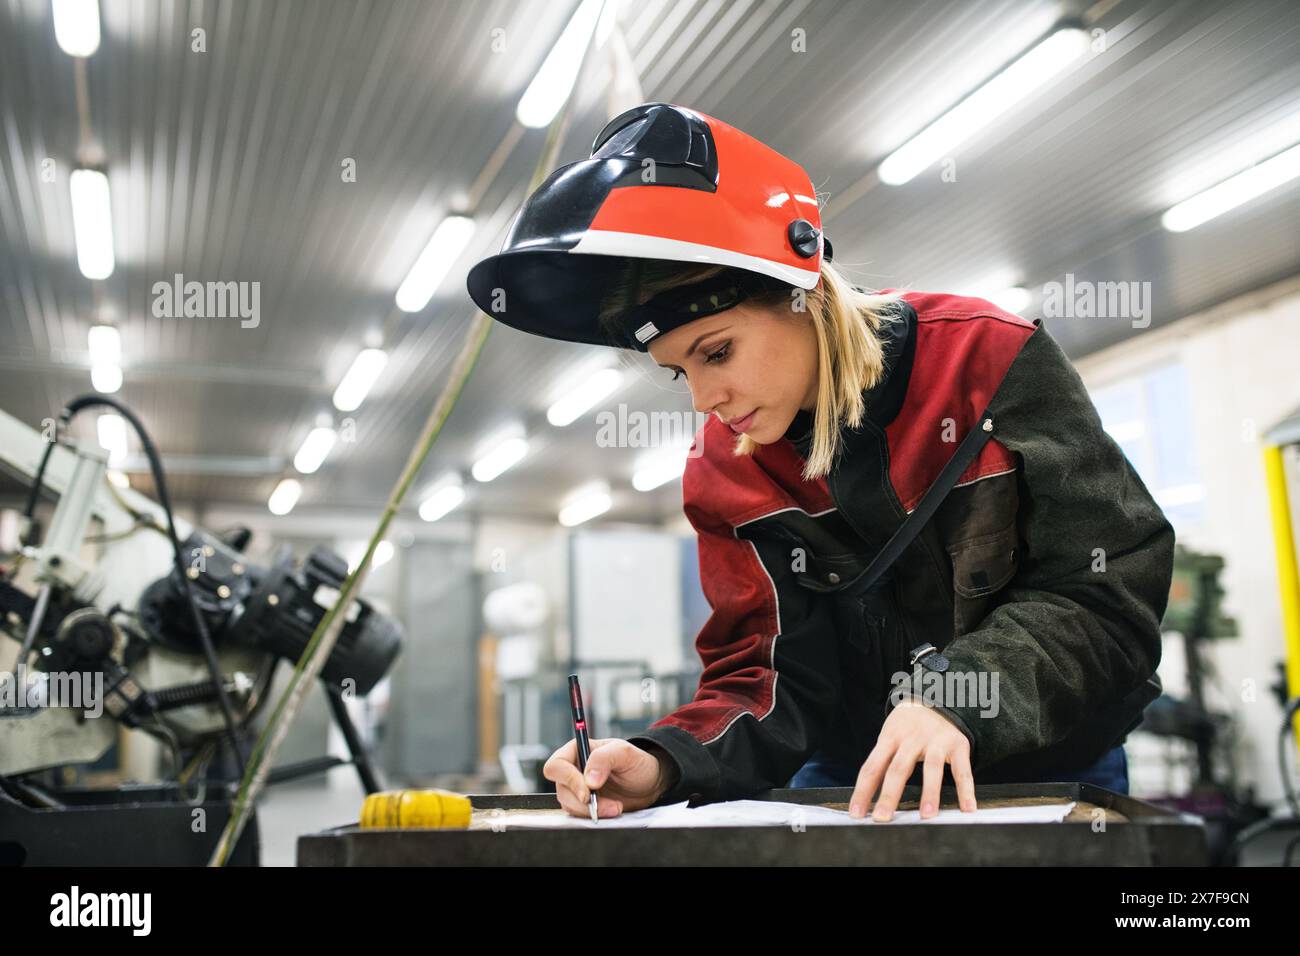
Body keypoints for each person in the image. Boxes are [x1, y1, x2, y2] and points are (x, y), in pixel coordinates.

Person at [466, 102, 1174, 822]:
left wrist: (956, 699)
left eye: (717, 352)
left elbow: (1105, 593)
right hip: (852, 774)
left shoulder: (986, 362)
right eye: (681, 373)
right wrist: (663, 761)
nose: (707, 399)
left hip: (1049, 761)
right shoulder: (728, 467)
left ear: (802, 292)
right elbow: (765, 675)